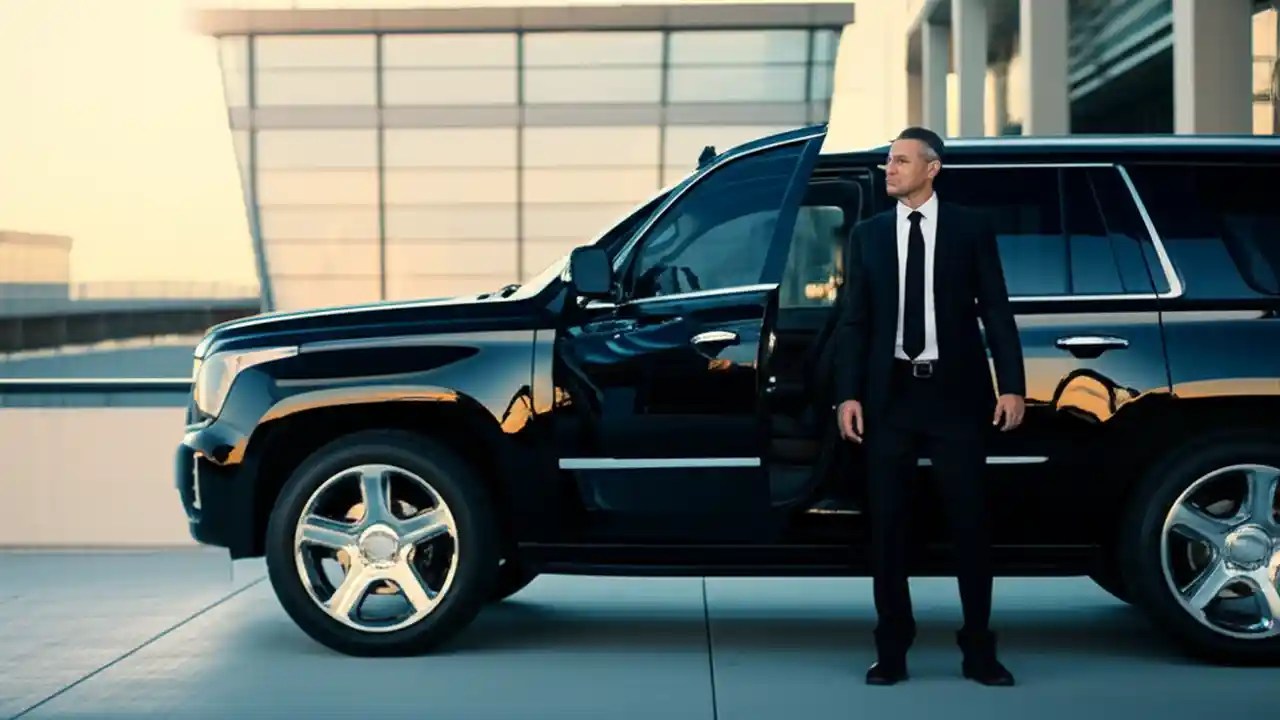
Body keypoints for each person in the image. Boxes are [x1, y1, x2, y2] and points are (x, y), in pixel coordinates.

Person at [833, 126, 1026, 687]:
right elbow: (855, 321)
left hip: (956, 398)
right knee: (888, 529)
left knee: (970, 524)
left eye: (899, 161)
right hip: (889, 398)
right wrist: (849, 393)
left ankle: (979, 650)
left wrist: (1010, 384)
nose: (888, 170)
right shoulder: (868, 236)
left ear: (931, 167)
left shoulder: (969, 227)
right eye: (888, 162)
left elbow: (995, 308)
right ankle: (892, 647)